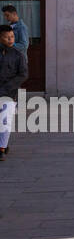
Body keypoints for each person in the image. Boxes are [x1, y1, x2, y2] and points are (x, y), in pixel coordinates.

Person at [0, 24, 28, 161]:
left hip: (9, 94)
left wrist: (7, 88)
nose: (10, 39)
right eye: (6, 37)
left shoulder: (18, 55)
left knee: (5, 120)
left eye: (12, 36)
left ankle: (1, 148)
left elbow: (23, 74)